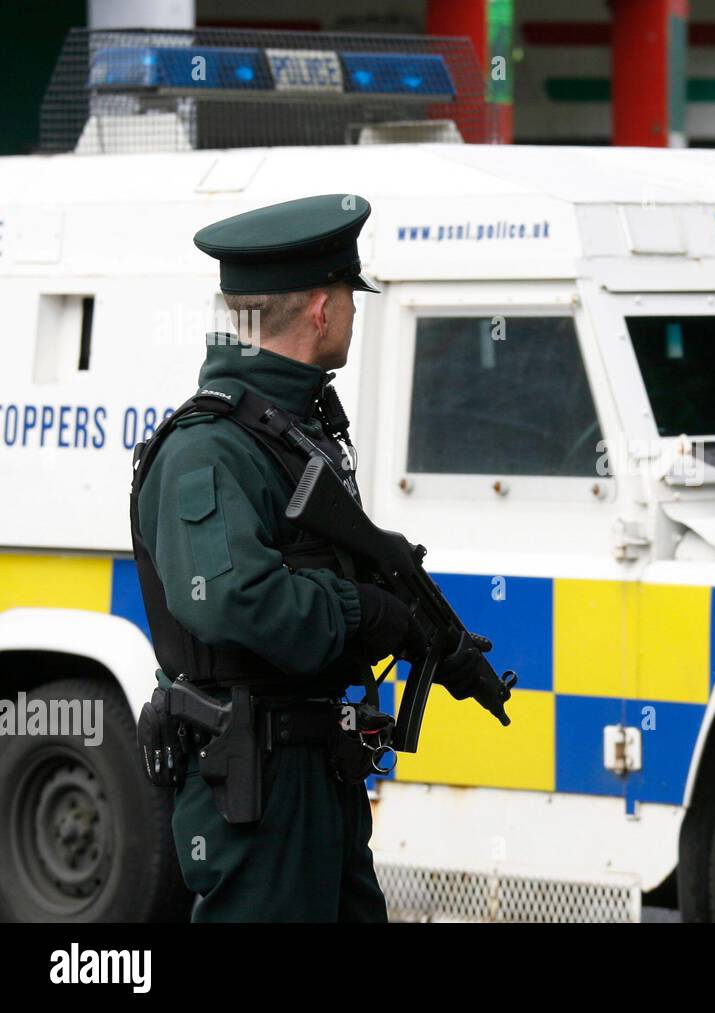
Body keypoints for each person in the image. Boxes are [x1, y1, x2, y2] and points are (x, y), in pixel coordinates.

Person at [129, 193, 487, 922]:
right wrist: (365, 612)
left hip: (317, 768)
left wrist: (413, 622)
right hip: (258, 781)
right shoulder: (210, 446)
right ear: (321, 309)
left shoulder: (291, 432)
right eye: (351, 299)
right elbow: (232, 598)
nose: (355, 313)